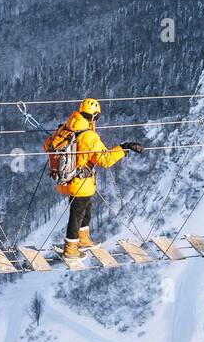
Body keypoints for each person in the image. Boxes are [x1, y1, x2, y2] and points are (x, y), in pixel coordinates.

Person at [44, 98, 144, 259]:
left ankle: (83, 239)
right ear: (94, 116)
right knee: (77, 214)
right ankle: (70, 249)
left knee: (86, 208)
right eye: (97, 117)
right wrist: (124, 148)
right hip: (80, 183)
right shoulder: (89, 136)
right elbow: (106, 160)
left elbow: (48, 145)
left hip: (66, 180)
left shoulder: (65, 128)